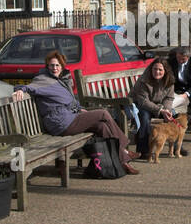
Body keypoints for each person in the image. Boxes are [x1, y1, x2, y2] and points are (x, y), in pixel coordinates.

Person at [11, 51, 140, 174]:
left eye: (57, 65)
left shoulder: (59, 81)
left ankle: (123, 162)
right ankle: (123, 149)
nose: (54, 68)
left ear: (62, 67)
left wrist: (79, 110)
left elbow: (68, 101)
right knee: (103, 113)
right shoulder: (43, 79)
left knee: (102, 126)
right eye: (51, 65)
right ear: (47, 66)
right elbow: (30, 87)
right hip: (60, 123)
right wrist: (20, 90)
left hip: (69, 118)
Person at [130, 57, 190, 158]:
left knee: (173, 115)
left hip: (157, 105)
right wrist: (160, 110)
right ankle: (143, 150)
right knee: (145, 116)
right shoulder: (143, 80)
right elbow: (143, 101)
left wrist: (166, 110)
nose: (157, 72)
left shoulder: (169, 81)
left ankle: (177, 148)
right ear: (151, 69)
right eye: (155, 69)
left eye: (160, 70)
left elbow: (169, 98)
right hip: (139, 105)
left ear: (165, 71)